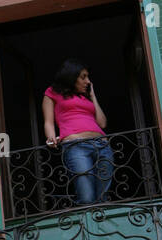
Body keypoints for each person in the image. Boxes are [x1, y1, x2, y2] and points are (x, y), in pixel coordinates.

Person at [42, 59, 114, 206]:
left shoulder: (86, 98)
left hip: (102, 146)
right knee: (86, 197)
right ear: (71, 77)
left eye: (88, 77)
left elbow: (102, 123)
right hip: (76, 146)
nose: (88, 81)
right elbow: (48, 121)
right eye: (83, 77)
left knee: (103, 198)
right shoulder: (52, 92)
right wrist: (50, 138)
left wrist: (93, 97)